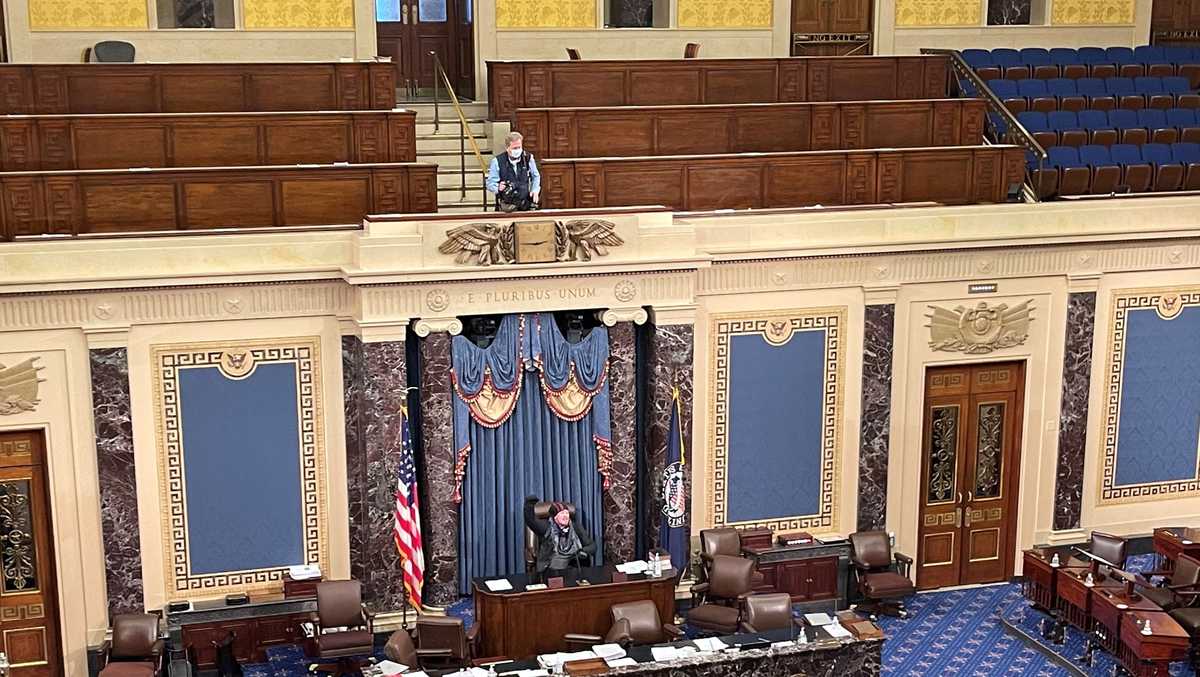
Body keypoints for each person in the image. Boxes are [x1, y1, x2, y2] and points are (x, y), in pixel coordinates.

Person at [524, 495, 596, 573]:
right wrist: (530, 503)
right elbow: (530, 520)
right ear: (555, 517)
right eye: (562, 513)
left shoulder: (576, 526)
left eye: (567, 513)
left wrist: (581, 551)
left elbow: (592, 546)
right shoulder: (547, 527)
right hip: (552, 567)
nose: (565, 516)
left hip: (573, 565)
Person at [487, 131, 541, 212]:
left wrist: (535, 190)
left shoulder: (528, 158)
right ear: (507, 148)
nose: (518, 150)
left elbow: (536, 176)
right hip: (507, 206)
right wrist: (498, 187)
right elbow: (490, 183)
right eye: (514, 148)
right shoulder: (497, 161)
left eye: (519, 147)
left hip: (525, 203)